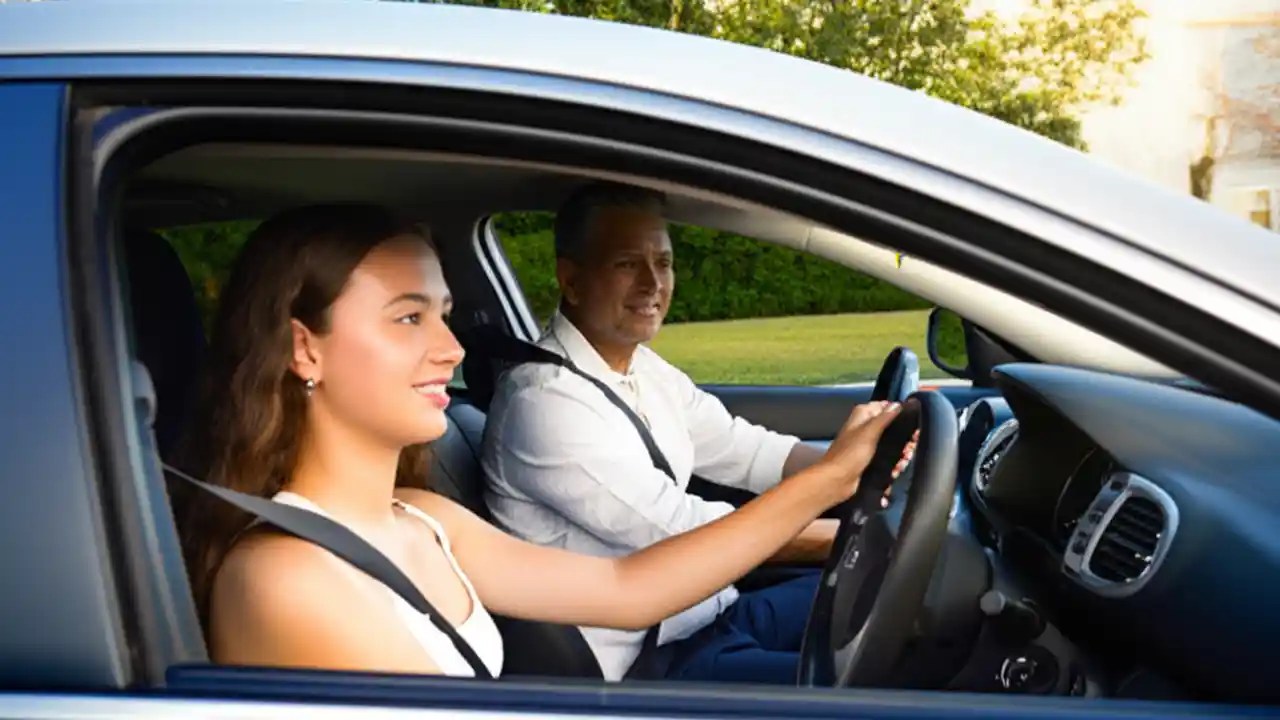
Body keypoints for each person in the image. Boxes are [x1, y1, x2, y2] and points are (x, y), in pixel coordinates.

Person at [175, 202, 912, 679]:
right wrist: (830, 489)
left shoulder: (424, 520)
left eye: (445, 315)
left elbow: (629, 588)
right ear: (305, 350)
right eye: (408, 319)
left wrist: (837, 474)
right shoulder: (285, 578)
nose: (453, 349)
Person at [481, 183, 901, 684]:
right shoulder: (544, 403)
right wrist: (857, 533)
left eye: (662, 263)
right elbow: (683, 529)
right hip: (651, 662)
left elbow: (746, 450)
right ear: (571, 281)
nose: (652, 284)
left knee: (903, 595)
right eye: (626, 264)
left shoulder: (643, 369)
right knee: (888, 686)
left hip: (710, 613)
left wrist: (872, 466)